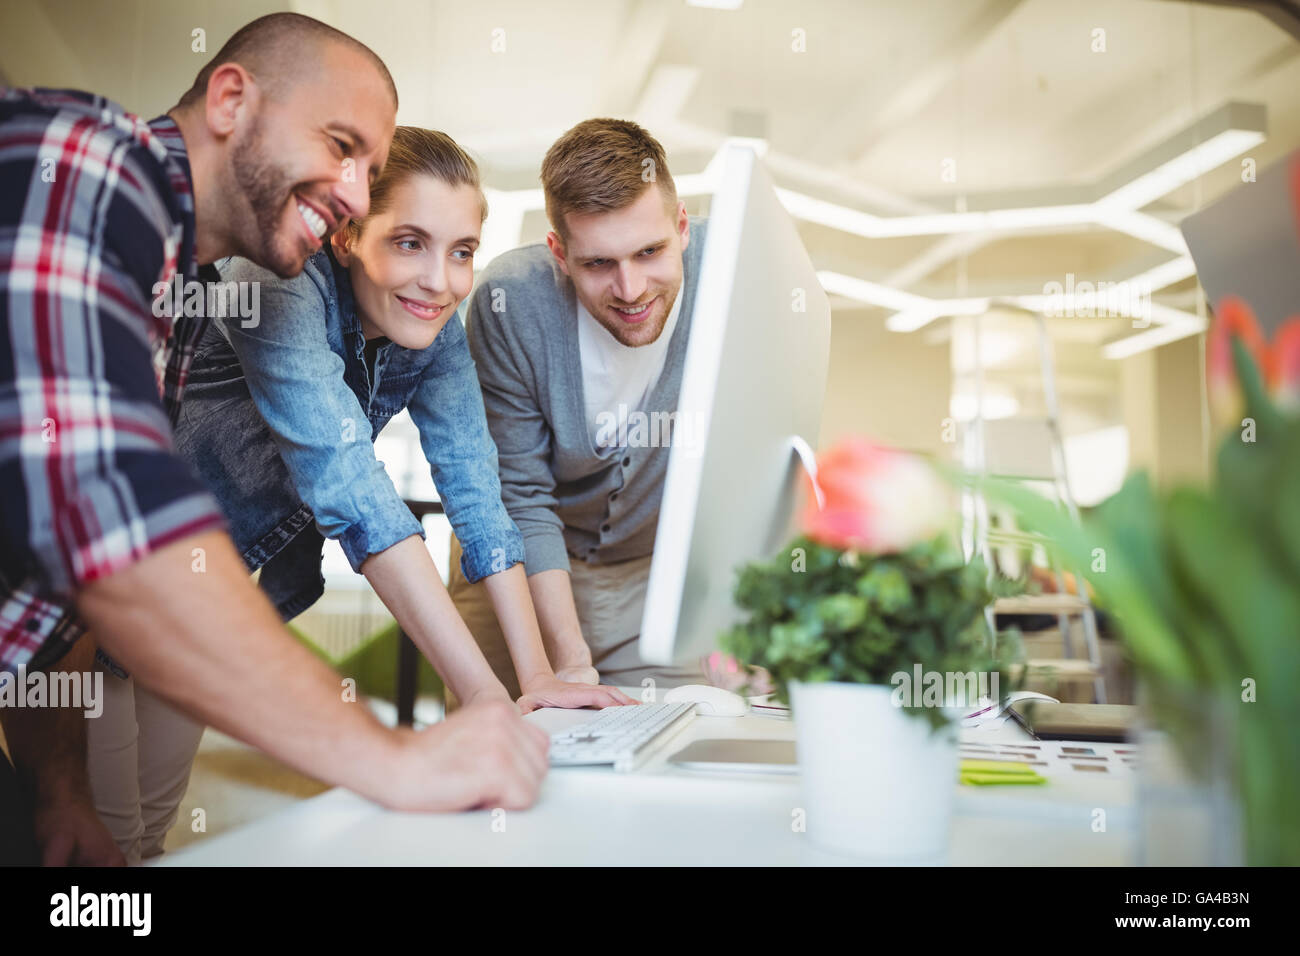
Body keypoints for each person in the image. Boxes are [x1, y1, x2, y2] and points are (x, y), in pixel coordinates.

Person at [0, 13, 548, 865]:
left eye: (370, 169)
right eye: (340, 146)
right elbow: (114, 532)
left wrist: (60, 781)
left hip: (121, 635)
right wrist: (392, 756)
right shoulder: (94, 171)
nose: (357, 194)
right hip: (129, 625)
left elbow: (59, 551)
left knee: (120, 848)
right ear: (229, 99)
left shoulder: (170, 294)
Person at [85, 126, 636, 862]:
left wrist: (533, 678)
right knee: (98, 832)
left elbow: (479, 495)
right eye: (410, 242)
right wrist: (482, 694)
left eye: (462, 251)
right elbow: (350, 486)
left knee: (149, 830)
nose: (439, 280)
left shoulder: (435, 331)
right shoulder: (272, 283)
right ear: (346, 237)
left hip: (208, 592)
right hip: (108, 566)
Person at [448, 119, 712, 705]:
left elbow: (770, 451)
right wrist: (569, 663)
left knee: (670, 749)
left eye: (650, 251)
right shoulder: (510, 301)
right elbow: (519, 493)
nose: (631, 288)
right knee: (500, 759)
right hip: (515, 567)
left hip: (652, 576)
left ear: (683, 226)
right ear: (559, 253)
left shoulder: (734, 273)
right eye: (598, 264)